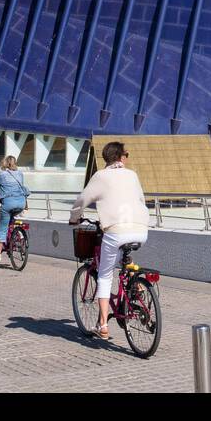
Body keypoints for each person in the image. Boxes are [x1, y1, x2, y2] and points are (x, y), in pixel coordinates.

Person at [69, 141, 149, 340]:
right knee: (123, 258)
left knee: (105, 276)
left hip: (116, 230)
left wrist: (74, 218)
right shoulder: (132, 175)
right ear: (122, 157)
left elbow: (82, 200)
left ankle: (103, 325)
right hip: (140, 229)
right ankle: (136, 287)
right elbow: (140, 200)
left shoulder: (100, 176)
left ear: (106, 158)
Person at [0, 155, 30, 262]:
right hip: (21, 203)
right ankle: (20, 237)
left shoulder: (2, 174)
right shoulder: (20, 174)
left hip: (8, 203)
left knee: (2, 229)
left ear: (5, 163)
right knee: (12, 220)